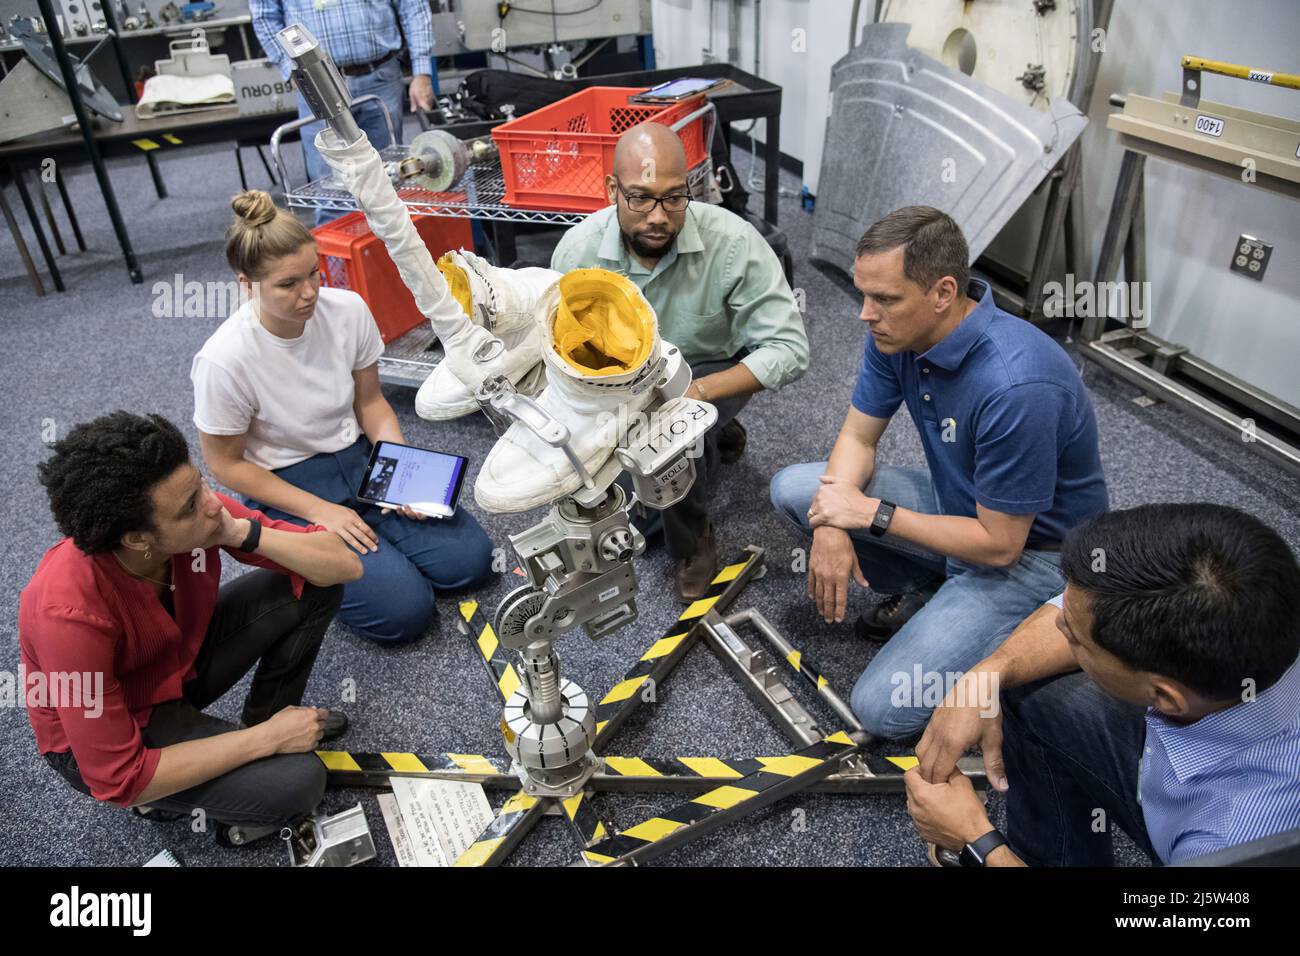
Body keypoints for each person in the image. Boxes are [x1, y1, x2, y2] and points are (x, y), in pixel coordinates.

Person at [769, 205, 1108, 739]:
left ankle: (1038, 628)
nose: (864, 313)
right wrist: (833, 520)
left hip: (1035, 554)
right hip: (964, 507)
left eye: (883, 298)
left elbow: (1000, 546)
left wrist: (871, 514)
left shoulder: (1017, 387)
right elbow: (858, 437)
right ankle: (937, 589)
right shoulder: (898, 333)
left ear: (944, 293)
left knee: (882, 708)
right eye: (864, 294)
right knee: (799, 489)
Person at [20, 412, 362, 838]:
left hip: (175, 662)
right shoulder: (66, 615)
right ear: (136, 539)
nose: (213, 502)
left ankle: (268, 724)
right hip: (123, 724)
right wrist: (268, 741)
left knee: (314, 580)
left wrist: (240, 533)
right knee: (301, 783)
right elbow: (116, 777)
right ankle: (179, 791)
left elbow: (342, 564)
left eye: (199, 482)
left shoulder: (200, 516)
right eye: (190, 507)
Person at [904, 503, 1300, 866]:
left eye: (1075, 637)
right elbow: (1074, 609)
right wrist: (988, 672)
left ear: (1165, 696)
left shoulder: (1233, 839)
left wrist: (976, 842)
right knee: (1024, 681)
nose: (1059, 625)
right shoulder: (1259, 595)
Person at [192, 190, 494, 644]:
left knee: (472, 563)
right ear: (246, 284)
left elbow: (370, 403)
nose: (309, 292)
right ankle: (317, 561)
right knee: (404, 614)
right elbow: (225, 465)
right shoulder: (224, 359)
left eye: (313, 273)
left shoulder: (347, 311)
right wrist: (319, 511)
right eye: (288, 284)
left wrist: (401, 469)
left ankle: (370, 547)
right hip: (287, 486)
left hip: (358, 457)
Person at [551, 121, 809, 601]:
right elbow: (562, 350)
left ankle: (692, 541)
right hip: (624, 372)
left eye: (674, 198)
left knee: (671, 440)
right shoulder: (578, 253)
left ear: (690, 188)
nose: (658, 216)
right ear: (611, 190)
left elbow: (790, 349)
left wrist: (697, 395)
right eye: (640, 198)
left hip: (712, 367)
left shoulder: (732, 241)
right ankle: (716, 433)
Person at [250, 0, 435, 223]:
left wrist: (422, 71)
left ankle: (389, 256)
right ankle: (343, 255)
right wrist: (288, 67)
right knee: (332, 194)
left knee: (387, 182)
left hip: (379, 77)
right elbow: (264, 16)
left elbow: (412, 6)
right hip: (315, 83)